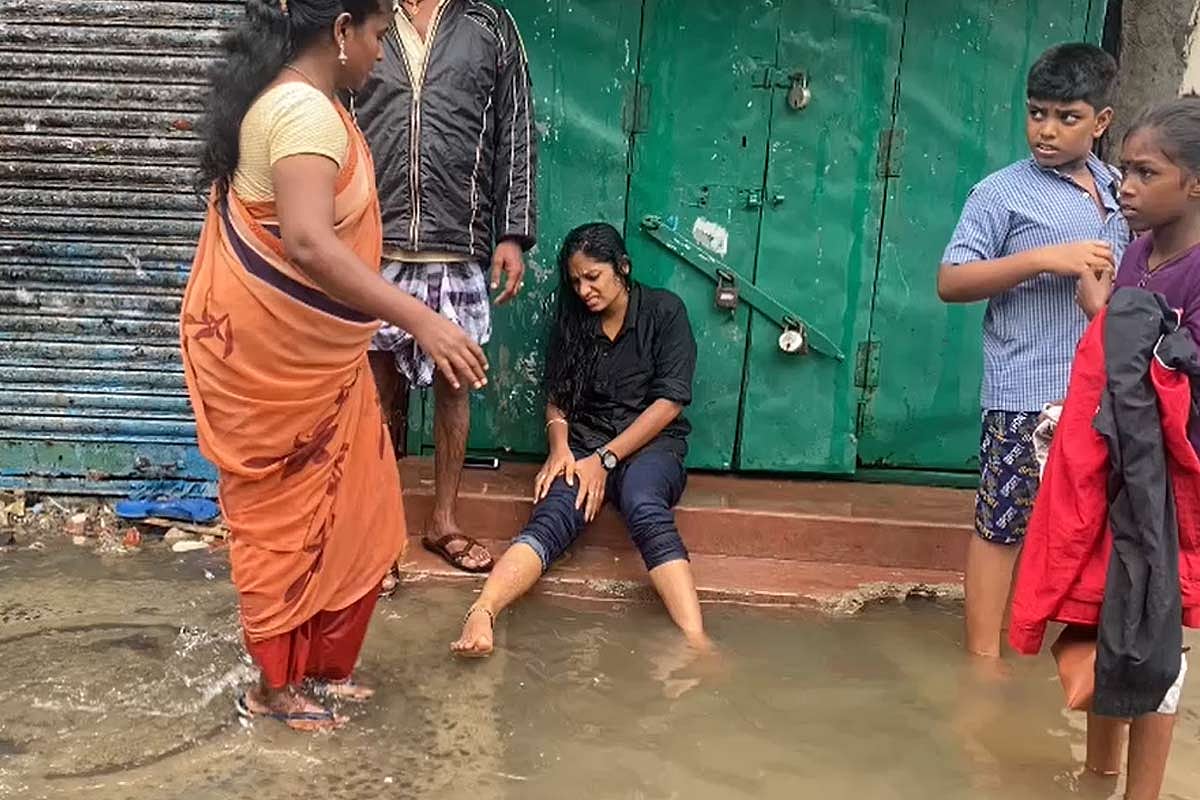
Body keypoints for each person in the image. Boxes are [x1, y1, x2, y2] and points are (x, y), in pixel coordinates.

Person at [184, 0, 488, 731]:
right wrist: (422, 319)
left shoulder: (313, 104)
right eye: (381, 36)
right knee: (283, 525)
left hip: (318, 365)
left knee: (357, 508)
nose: (384, 54)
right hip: (277, 368)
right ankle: (272, 688)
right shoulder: (302, 113)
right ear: (342, 29)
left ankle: (315, 671)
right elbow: (312, 244)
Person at [936, 42, 1130, 657]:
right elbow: (952, 281)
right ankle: (984, 662)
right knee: (1003, 523)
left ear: (1101, 122)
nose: (1045, 130)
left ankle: (1060, 650)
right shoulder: (1001, 193)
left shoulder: (1120, 189)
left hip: (1103, 390)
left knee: (1086, 523)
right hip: (1027, 389)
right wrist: (1047, 258)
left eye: (1066, 117)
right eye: (1035, 112)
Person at [451, 223, 709, 657]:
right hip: (585, 445)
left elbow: (670, 402)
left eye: (594, 277)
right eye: (576, 281)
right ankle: (482, 613)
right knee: (553, 511)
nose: (584, 290)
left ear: (622, 268)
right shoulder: (573, 321)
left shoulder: (665, 313)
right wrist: (562, 449)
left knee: (644, 501)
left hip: (651, 446)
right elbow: (558, 400)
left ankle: (697, 641)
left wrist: (605, 460)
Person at [353, 0, 537, 579]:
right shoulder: (367, 13)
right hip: (374, 240)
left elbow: (518, 128)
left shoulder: (489, 22)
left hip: (458, 239)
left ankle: (444, 523)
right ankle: (377, 535)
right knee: (376, 393)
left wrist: (512, 234)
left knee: (456, 384)